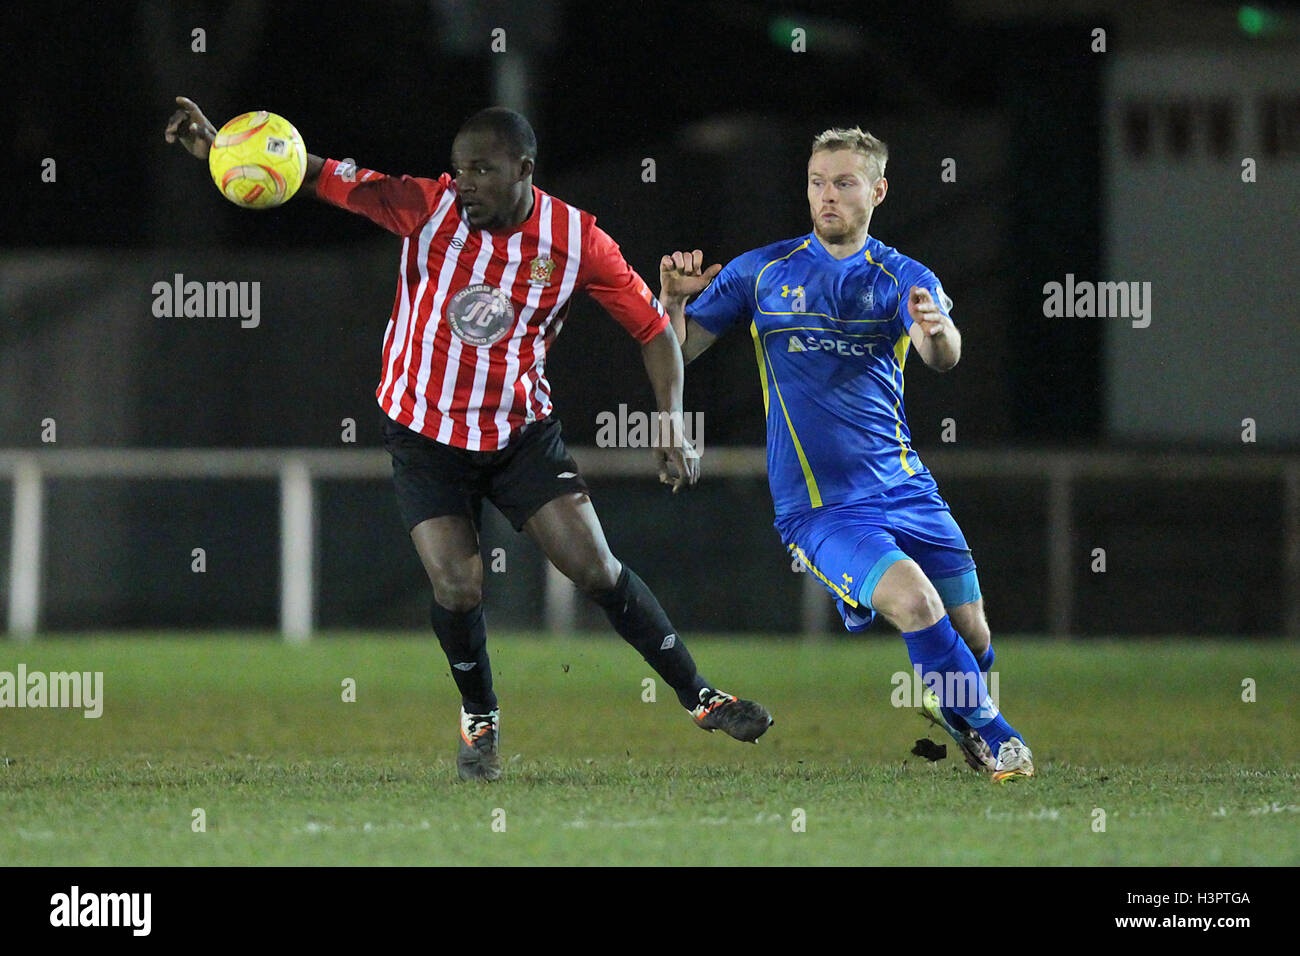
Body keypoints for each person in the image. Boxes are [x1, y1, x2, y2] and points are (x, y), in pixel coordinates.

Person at [165, 97, 772, 781]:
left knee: (597, 569)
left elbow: (655, 331)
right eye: (458, 170)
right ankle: (479, 716)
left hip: (519, 436)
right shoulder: (424, 207)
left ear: (525, 170)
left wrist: (670, 420)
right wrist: (226, 151)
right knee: (458, 588)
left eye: (481, 171)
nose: (465, 185)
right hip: (424, 435)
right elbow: (309, 171)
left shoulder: (577, 241)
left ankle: (702, 697)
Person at [658, 127, 1032, 782]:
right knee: (917, 606)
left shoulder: (901, 277)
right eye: (816, 182)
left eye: (844, 182)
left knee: (972, 639)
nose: (826, 195)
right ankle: (1003, 740)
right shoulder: (762, 271)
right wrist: (668, 303)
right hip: (820, 507)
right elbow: (677, 351)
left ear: (878, 191)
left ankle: (961, 714)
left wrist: (938, 330)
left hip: (907, 488)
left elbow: (943, 355)